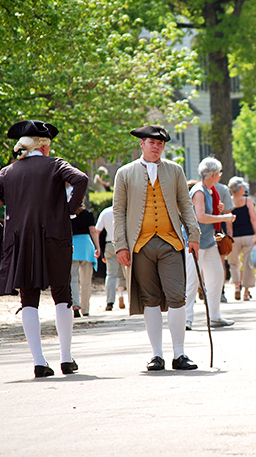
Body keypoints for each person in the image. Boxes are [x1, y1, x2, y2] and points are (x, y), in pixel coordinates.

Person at [0, 119, 88, 378]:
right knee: (62, 295)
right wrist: (68, 210)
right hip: (55, 238)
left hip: (22, 241)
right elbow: (80, 179)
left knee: (29, 300)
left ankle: (39, 361)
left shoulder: (7, 172)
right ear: (45, 147)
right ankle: (66, 358)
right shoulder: (56, 165)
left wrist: (1, 232)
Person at [113, 124, 201, 371]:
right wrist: (120, 244)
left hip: (171, 242)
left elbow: (185, 204)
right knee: (150, 299)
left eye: (160, 143)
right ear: (141, 144)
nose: (156, 147)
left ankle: (180, 354)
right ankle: (157, 355)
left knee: (177, 296)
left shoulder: (175, 170)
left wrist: (193, 234)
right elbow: (119, 211)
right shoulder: (125, 173)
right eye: (152, 142)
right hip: (140, 245)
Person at [184, 157, 237, 330]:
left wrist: (217, 209)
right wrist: (224, 217)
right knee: (192, 281)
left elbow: (207, 212)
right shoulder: (199, 191)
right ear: (214, 174)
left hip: (207, 242)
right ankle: (186, 319)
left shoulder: (210, 190)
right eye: (219, 173)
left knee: (216, 277)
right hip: (194, 242)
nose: (220, 176)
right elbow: (201, 216)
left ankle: (214, 316)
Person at [227, 176, 256, 301]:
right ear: (240, 188)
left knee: (233, 263)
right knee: (248, 264)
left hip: (234, 237)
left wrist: (230, 234)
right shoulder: (248, 200)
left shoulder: (229, 201)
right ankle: (246, 292)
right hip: (248, 236)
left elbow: (228, 221)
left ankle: (237, 286)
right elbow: (254, 220)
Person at [69, 203, 99, 317]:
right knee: (86, 281)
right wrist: (98, 247)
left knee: (73, 279)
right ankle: (85, 309)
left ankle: (75, 305)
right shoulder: (88, 214)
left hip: (73, 247)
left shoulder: (67, 214)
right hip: (86, 247)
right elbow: (93, 231)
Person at [95, 205, 126, 310]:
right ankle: (122, 295)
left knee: (111, 274)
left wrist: (98, 247)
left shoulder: (105, 212)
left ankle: (110, 302)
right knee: (125, 273)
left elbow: (97, 231)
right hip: (124, 244)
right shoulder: (124, 210)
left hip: (109, 244)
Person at [214, 180, 234, 303]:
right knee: (221, 262)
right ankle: (221, 292)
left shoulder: (197, 188)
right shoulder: (223, 189)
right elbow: (227, 213)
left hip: (202, 231)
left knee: (203, 263)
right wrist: (229, 233)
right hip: (218, 231)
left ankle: (203, 288)